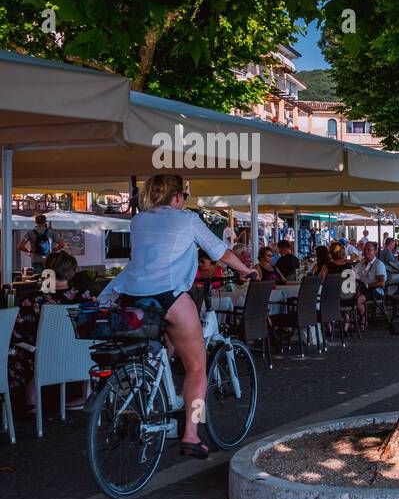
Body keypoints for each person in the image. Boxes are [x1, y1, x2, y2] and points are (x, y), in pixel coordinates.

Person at [100, 173, 259, 459]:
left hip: (133, 295)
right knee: (197, 367)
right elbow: (219, 251)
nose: (184, 201)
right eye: (184, 196)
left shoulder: (138, 221)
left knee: (167, 343)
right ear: (177, 197)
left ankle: (154, 388)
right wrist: (245, 269)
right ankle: (191, 434)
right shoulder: (186, 219)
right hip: (169, 294)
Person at [7, 251, 97, 413]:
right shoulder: (87, 298)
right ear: (72, 272)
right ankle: (85, 394)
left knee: (16, 349)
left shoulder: (35, 300)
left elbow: (18, 332)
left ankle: (31, 397)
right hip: (80, 357)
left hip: (45, 358)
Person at [354, 240, 392, 333]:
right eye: (365, 249)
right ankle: (351, 321)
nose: (366, 251)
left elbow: (382, 282)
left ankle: (363, 320)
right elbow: (354, 273)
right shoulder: (362, 263)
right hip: (362, 288)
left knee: (357, 300)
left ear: (375, 251)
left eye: (369, 249)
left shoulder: (378, 264)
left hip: (375, 290)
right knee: (350, 296)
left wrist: (367, 285)